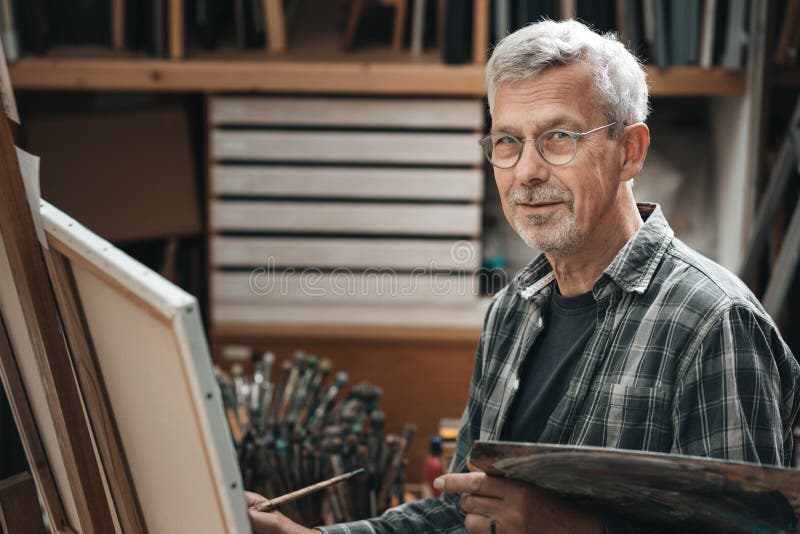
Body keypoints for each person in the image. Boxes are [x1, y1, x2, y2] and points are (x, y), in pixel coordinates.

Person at [246, 19, 800, 534]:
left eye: (559, 138)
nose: (528, 171)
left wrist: (572, 529)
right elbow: (461, 510)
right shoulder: (514, 310)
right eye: (508, 142)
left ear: (629, 150)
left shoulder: (713, 325)